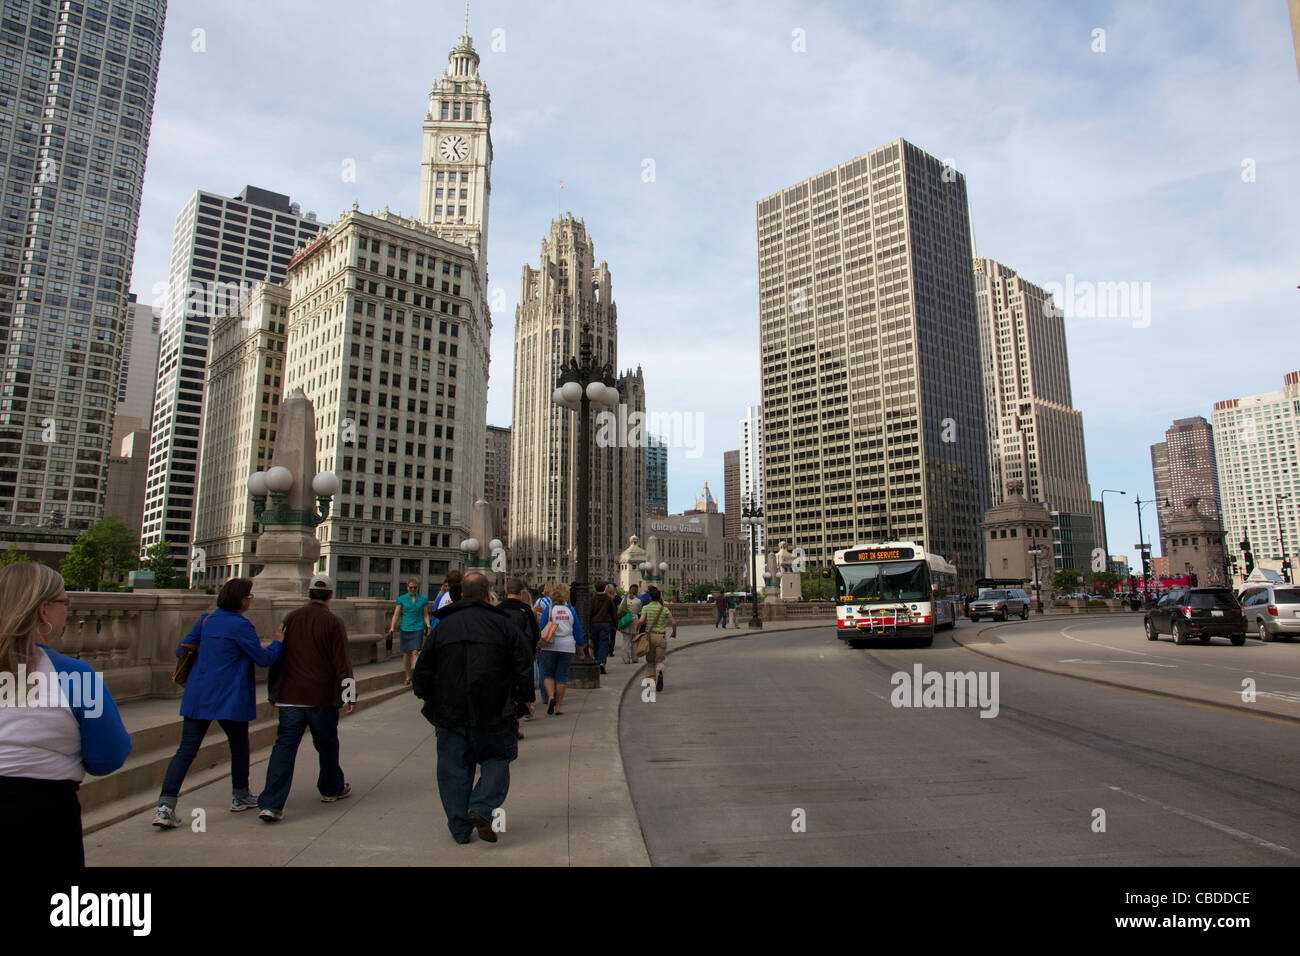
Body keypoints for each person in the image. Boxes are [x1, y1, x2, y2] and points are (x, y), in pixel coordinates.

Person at [0, 563, 131, 868]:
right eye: (64, 603)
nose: (67, 611)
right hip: (41, 818)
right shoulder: (78, 677)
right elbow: (109, 756)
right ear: (43, 611)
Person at [412, 572, 533, 844]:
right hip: (495, 711)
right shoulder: (503, 626)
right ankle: (480, 807)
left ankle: (459, 828)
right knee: (497, 761)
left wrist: (427, 697)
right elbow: (523, 667)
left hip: (449, 713)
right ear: (487, 594)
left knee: (453, 769)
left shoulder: (442, 628)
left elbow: (422, 672)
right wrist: (523, 701)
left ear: (462, 594)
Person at [153, 577, 283, 828]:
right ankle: (240, 795)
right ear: (241, 599)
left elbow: (181, 650)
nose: (249, 600)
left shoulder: (206, 620)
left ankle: (165, 806)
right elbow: (263, 659)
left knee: (186, 751)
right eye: (249, 597)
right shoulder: (241, 626)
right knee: (239, 746)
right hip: (229, 696)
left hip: (199, 694)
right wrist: (278, 643)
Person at [258, 574, 355, 822]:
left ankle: (271, 804)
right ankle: (331, 788)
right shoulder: (334, 622)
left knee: (284, 748)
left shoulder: (290, 618)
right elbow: (342, 662)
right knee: (327, 745)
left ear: (309, 593)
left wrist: (273, 692)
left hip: (290, 696)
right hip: (322, 697)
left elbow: (278, 658)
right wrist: (349, 695)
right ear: (330, 595)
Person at [498, 578, 541, 728]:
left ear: (505, 591)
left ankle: (509, 720)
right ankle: (520, 715)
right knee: (522, 685)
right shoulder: (526, 610)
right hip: (523, 654)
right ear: (521, 592)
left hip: (502, 655)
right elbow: (535, 634)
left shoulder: (498, 609)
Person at [537, 582, 584, 715]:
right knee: (562, 677)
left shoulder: (550, 609)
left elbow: (541, 627)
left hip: (550, 645)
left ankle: (550, 695)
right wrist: (580, 650)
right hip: (567, 645)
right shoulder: (570, 610)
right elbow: (578, 632)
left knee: (548, 673)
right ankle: (558, 705)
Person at [388, 578, 431, 687]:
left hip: (418, 627)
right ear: (407, 587)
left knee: (415, 651)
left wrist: (427, 624)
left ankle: (416, 676)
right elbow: (396, 614)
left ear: (418, 588)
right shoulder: (402, 599)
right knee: (406, 653)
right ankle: (407, 676)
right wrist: (392, 627)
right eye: (410, 587)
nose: (412, 589)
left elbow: (425, 614)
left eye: (415, 587)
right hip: (405, 627)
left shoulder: (422, 599)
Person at [637, 586, 677, 692]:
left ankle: (651, 681)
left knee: (650, 661)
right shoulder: (664, 609)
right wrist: (674, 632)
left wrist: (637, 629)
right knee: (660, 660)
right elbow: (673, 622)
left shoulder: (646, 608)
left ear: (650, 598)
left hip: (650, 637)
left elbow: (641, 621)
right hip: (661, 636)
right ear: (660, 598)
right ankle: (659, 671)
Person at [589, 583, 617, 674]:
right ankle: (602, 662)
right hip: (605, 623)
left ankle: (597, 660)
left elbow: (590, 612)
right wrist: (615, 625)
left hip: (594, 623)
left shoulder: (593, 599)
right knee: (603, 644)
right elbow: (613, 613)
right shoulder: (608, 599)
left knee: (595, 643)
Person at [617, 584, 643, 664]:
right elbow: (639, 611)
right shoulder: (638, 601)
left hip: (625, 620)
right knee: (634, 640)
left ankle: (626, 659)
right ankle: (634, 658)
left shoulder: (624, 599)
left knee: (625, 640)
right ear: (637, 591)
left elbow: (620, 609)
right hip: (634, 620)